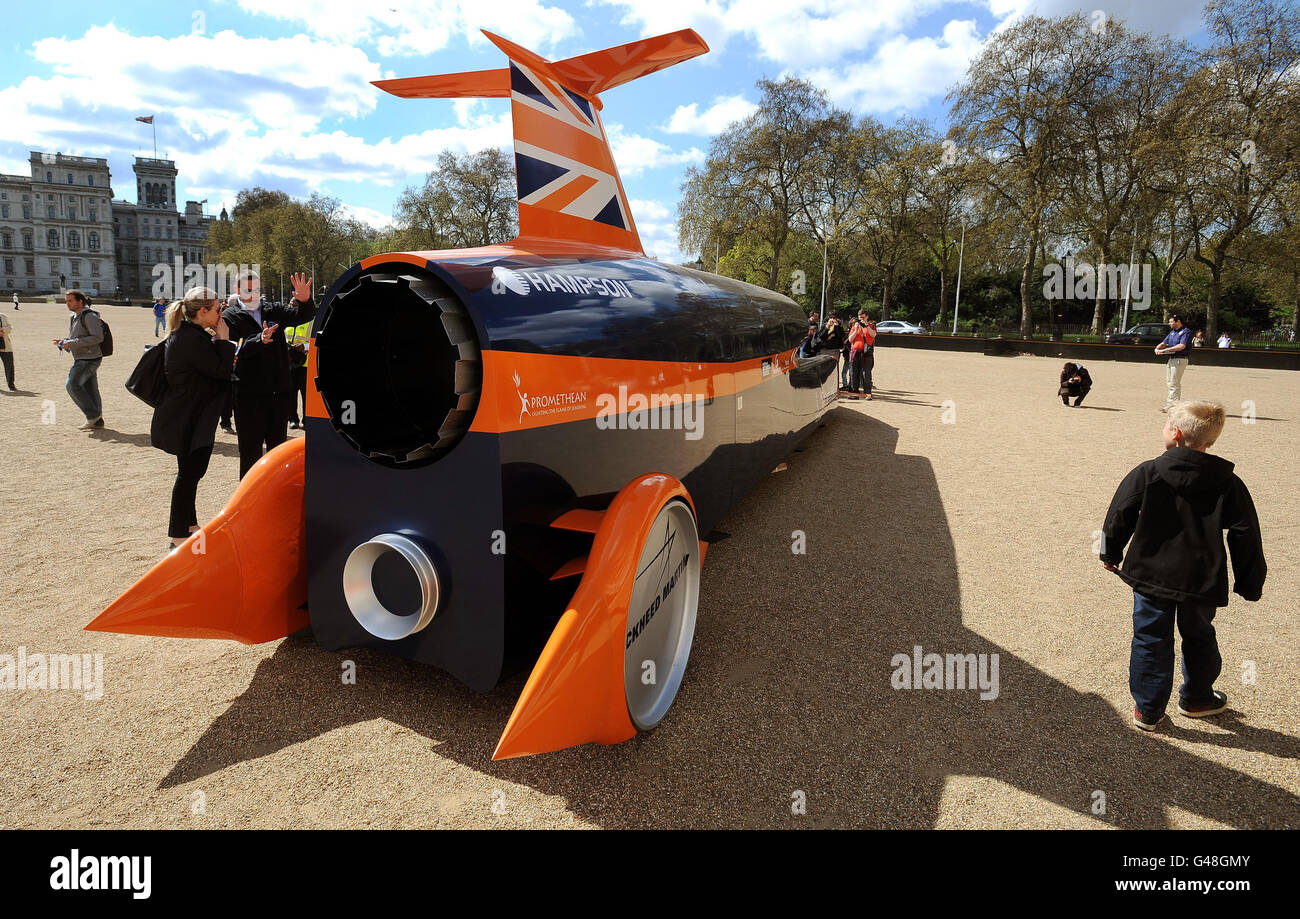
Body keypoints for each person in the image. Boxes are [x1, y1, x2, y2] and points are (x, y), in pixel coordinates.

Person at [1100, 401, 1266, 732]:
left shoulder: (1148, 472)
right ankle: (1198, 697)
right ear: (1210, 440)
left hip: (1151, 573)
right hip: (1201, 577)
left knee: (1149, 638)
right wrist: (1250, 581)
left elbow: (1120, 512)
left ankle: (1148, 710)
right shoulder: (1229, 483)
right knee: (1200, 635)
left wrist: (1109, 551)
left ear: (1174, 434)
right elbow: (1245, 532)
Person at [151, 287, 237, 551]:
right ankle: (178, 535)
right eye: (217, 309)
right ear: (203, 311)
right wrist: (224, 340)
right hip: (187, 419)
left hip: (191, 416)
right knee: (188, 475)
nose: (221, 314)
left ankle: (189, 524)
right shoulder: (190, 338)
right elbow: (222, 371)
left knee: (192, 473)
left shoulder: (193, 335)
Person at [222, 270, 316, 477]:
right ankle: (249, 504)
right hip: (249, 396)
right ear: (237, 290)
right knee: (250, 453)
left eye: (257, 289)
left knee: (277, 452)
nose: (254, 293)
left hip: (278, 392)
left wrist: (306, 300)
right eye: (248, 289)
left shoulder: (272, 309)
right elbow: (233, 350)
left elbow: (303, 316)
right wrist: (259, 340)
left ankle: (275, 501)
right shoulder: (229, 316)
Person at [53, 289, 105, 430]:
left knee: (72, 385)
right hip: (82, 356)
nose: (67, 303)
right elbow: (78, 336)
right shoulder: (74, 316)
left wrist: (72, 343)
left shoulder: (89, 316)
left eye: (70, 300)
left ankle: (92, 415)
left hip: (90, 358)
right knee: (90, 389)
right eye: (66, 301)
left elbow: (97, 337)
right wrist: (65, 341)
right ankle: (98, 421)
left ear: (80, 301)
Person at [1153, 314, 1191, 412]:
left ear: (1178, 321)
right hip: (1172, 359)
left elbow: (1182, 346)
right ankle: (1174, 405)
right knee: (1170, 382)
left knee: (1174, 383)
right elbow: (1164, 342)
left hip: (1180, 359)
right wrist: (1157, 348)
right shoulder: (1172, 332)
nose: (1169, 323)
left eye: (1171, 321)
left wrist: (1165, 350)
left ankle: (1171, 406)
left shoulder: (1185, 332)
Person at [847, 309, 876, 399]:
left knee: (866, 374)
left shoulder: (871, 326)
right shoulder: (854, 327)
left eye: (863, 317)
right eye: (860, 318)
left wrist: (866, 326)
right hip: (855, 352)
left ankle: (868, 393)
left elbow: (873, 335)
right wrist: (855, 329)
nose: (861, 319)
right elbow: (850, 340)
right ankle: (854, 393)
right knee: (853, 373)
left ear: (867, 317)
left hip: (866, 354)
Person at [287, 341, 308, 429]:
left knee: (307, 396)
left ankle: (307, 421)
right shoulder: (285, 327)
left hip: (307, 366)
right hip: (291, 365)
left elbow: (318, 341)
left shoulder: (311, 326)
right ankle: (293, 420)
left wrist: (305, 346)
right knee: (291, 394)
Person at [0, 310, 14, 390]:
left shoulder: (3, 316)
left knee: (9, 365)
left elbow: (10, 328)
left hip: (5, 345)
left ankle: (11, 384)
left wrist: (3, 330)